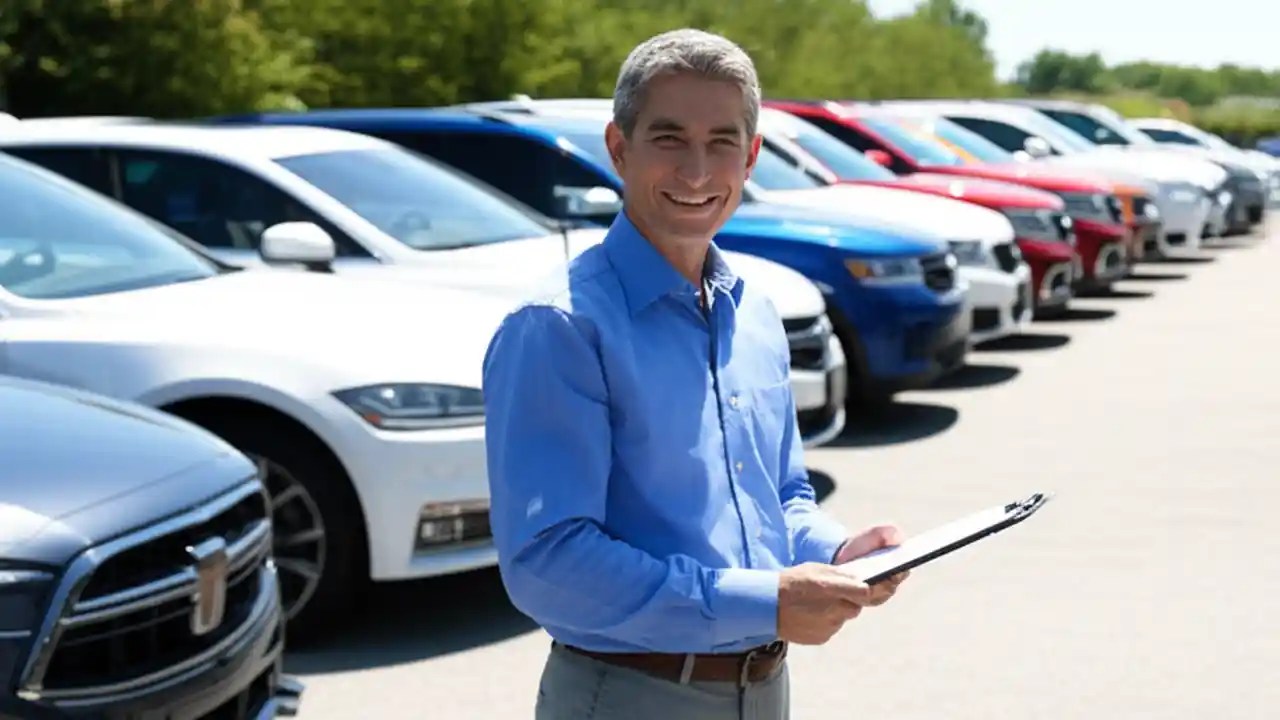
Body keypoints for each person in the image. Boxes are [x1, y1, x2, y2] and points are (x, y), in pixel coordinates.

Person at [481, 28, 909, 720]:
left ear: (752, 156)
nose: (698, 173)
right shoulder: (559, 328)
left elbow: (780, 496)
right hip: (630, 696)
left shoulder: (755, 313)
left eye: (722, 143)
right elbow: (550, 563)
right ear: (618, 148)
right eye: (669, 139)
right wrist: (766, 601)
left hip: (764, 689)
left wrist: (838, 552)